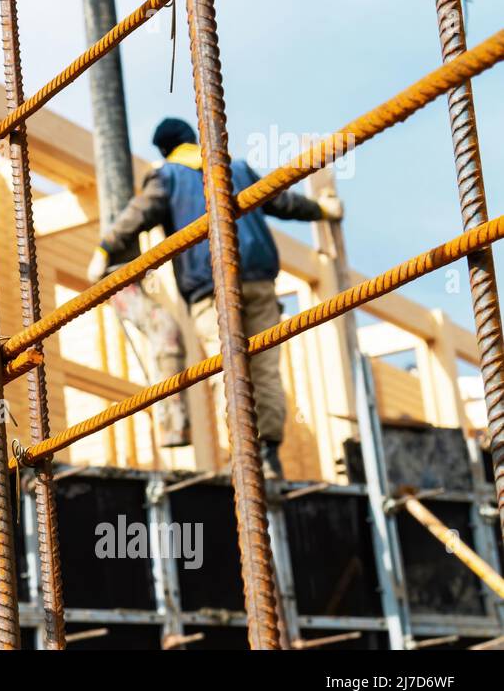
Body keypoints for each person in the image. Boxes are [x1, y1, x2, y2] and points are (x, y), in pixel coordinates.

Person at [86, 117, 343, 478]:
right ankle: (268, 456)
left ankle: (242, 455)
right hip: (258, 280)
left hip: (210, 288)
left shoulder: (168, 176)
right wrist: (323, 210)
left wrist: (105, 249)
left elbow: (140, 214)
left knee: (229, 369)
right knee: (265, 368)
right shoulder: (234, 169)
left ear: (164, 150)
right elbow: (282, 201)